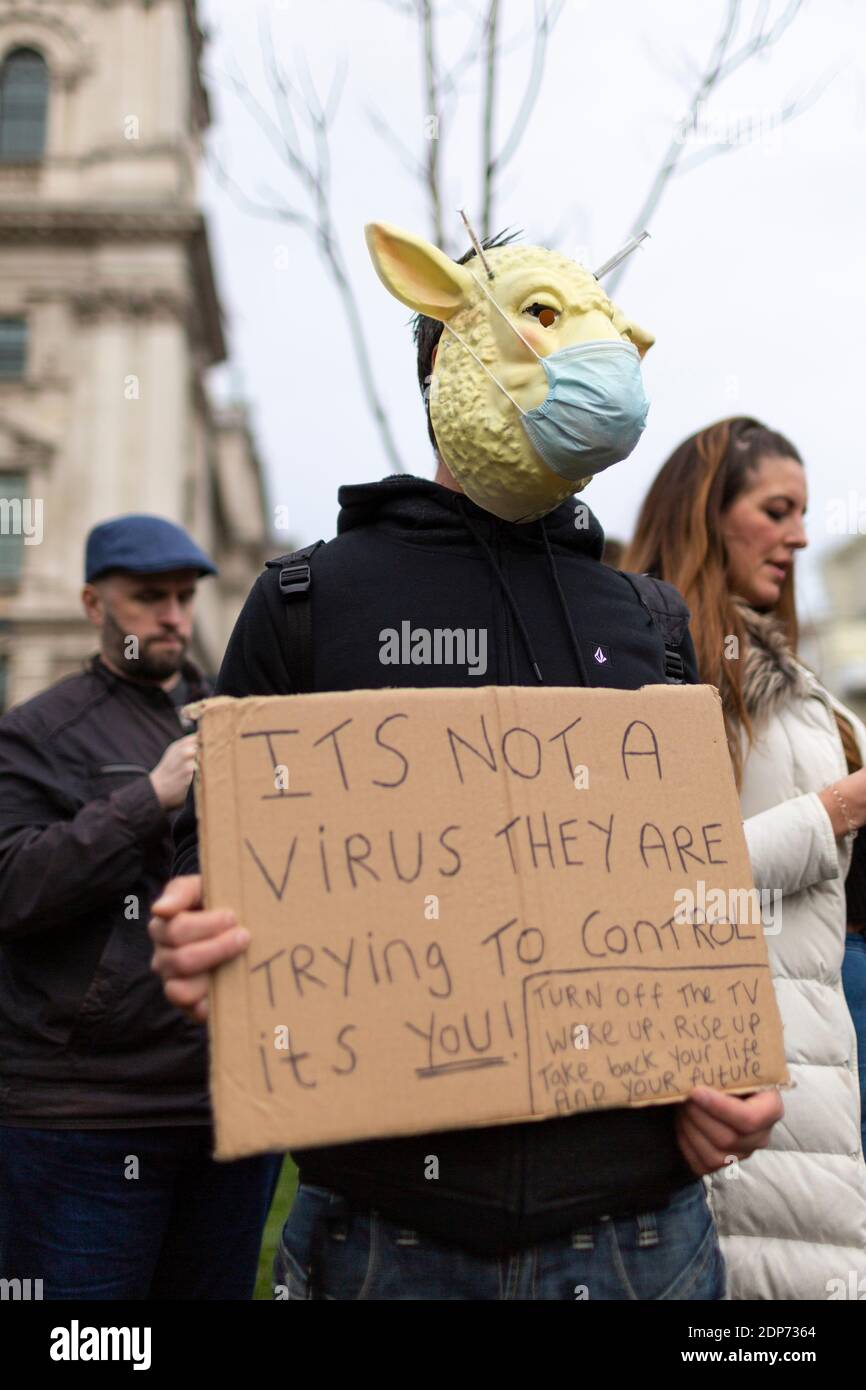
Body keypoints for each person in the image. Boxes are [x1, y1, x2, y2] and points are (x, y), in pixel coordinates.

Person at [150, 229, 781, 1302]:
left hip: (635, 1231)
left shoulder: (646, 618)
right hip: (382, 1235)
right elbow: (198, 857)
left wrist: (728, 1071)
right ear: (451, 358)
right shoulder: (304, 603)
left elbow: (684, 890)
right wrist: (190, 926)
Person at [0, 514, 281, 1300]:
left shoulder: (234, 715)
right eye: (147, 597)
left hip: (228, 1106)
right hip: (85, 1117)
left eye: (184, 597)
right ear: (94, 605)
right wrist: (147, 798)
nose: (172, 616)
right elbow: (13, 886)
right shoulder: (35, 732)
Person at [624, 416, 866, 1299]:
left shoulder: (775, 662)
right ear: (707, 512)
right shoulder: (655, 658)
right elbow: (653, 880)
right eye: (778, 509)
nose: (801, 535)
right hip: (744, 1044)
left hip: (825, 1023)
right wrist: (838, 808)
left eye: (804, 512)